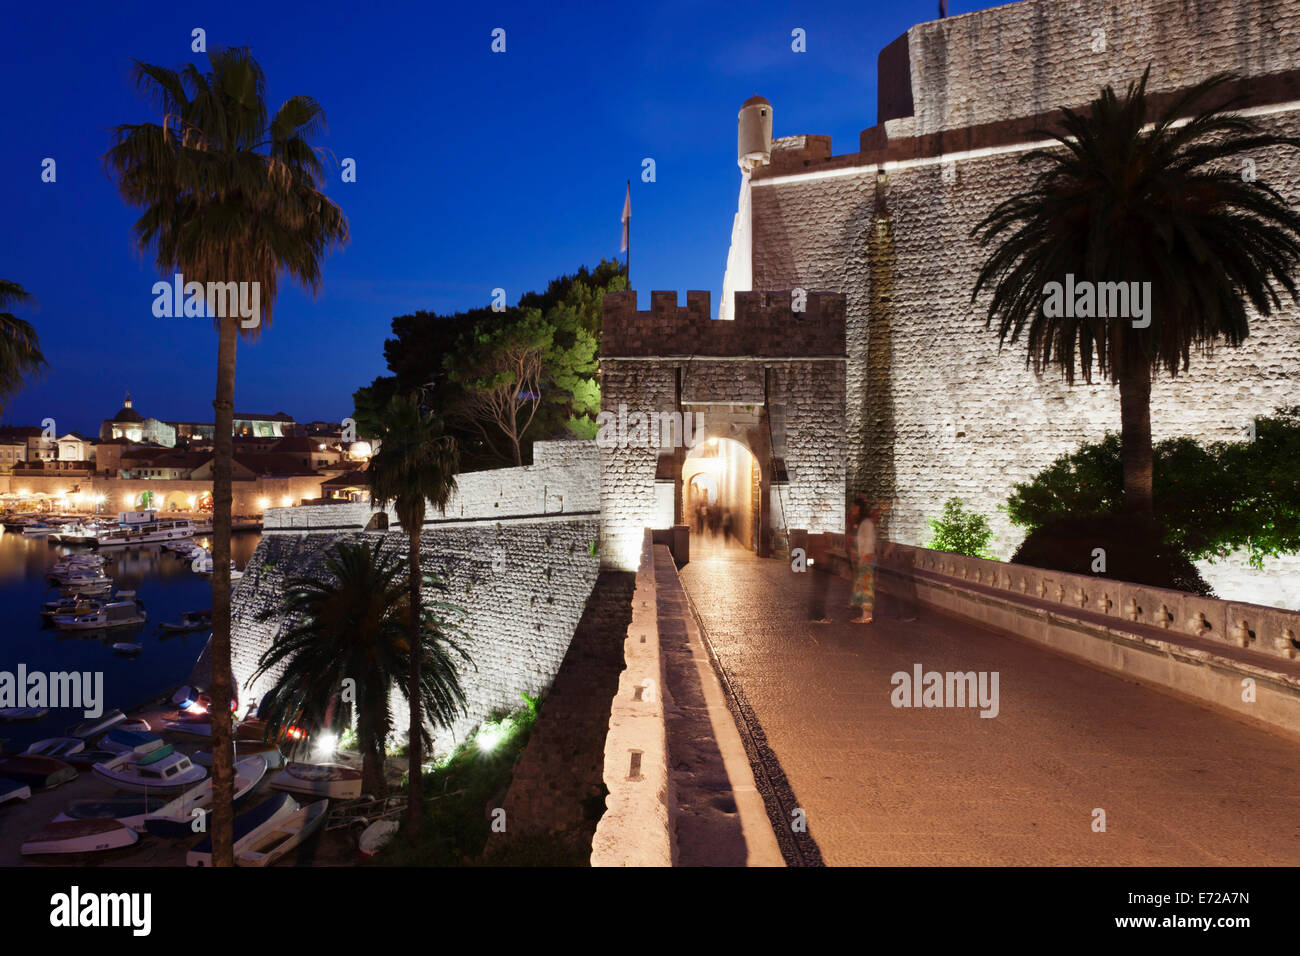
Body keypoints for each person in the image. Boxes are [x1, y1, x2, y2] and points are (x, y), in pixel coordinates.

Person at [848, 495, 877, 624]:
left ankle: (866, 616)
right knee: (863, 586)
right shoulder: (861, 523)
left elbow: (869, 541)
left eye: (854, 506)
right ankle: (866, 615)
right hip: (865, 558)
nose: (852, 508)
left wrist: (863, 556)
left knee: (866, 586)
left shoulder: (867, 523)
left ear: (859, 508)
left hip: (867, 558)